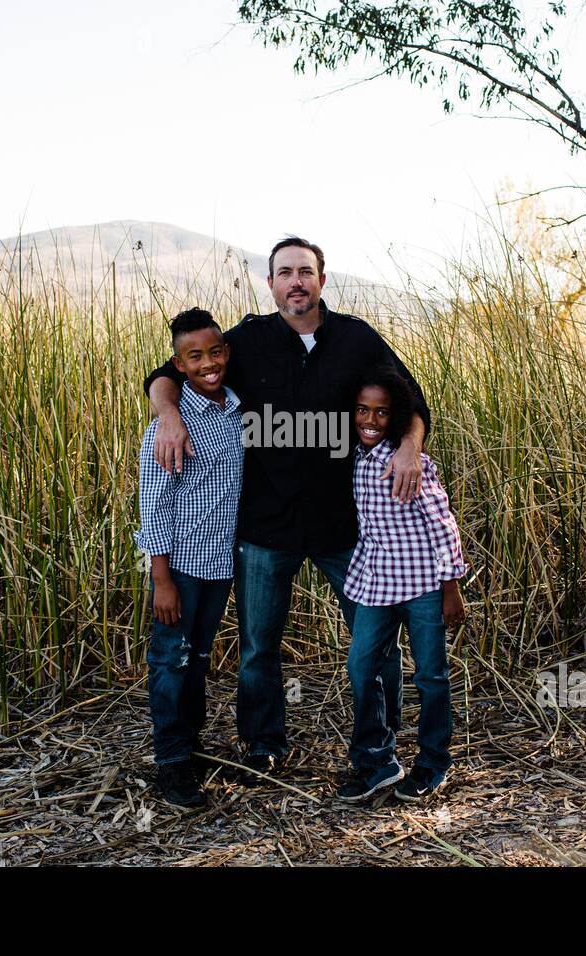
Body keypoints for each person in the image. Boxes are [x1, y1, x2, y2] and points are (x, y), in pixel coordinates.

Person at [143, 237, 431, 780]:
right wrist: (168, 416)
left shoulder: (357, 339)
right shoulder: (245, 341)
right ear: (270, 283)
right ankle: (263, 746)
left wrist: (410, 449)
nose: (295, 281)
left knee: (375, 642)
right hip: (265, 526)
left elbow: (413, 404)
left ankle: (379, 748)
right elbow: (168, 373)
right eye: (284, 273)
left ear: (322, 280)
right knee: (257, 650)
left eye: (305, 271)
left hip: (344, 526)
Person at [337, 366, 468, 803]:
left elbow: (442, 524)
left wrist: (451, 587)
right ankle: (377, 758)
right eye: (362, 411)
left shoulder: (409, 463)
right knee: (361, 666)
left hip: (423, 585)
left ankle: (433, 760)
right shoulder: (352, 459)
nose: (370, 420)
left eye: (380, 413)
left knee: (430, 674)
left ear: (396, 417)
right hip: (376, 583)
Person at [135, 308, 244, 807]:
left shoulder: (236, 412)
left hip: (219, 565)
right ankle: (172, 764)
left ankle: (191, 744)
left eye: (215, 352)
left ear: (226, 353)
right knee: (171, 660)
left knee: (198, 659)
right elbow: (154, 506)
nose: (208, 363)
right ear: (177, 364)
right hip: (179, 567)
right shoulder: (167, 429)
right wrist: (161, 578)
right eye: (194, 356)